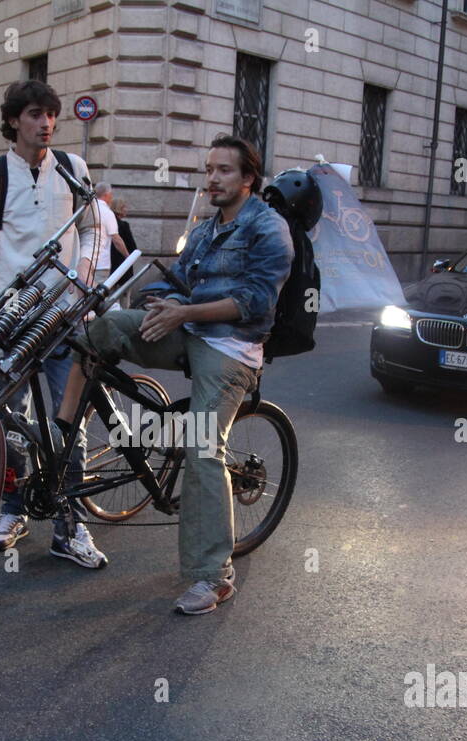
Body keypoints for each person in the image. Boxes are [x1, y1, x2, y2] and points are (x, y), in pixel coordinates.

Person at [57, 134, 294, 615]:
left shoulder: (268, 229)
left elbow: (255, 304)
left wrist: (183, 314)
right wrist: (159, 302)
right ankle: (67, 430)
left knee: (203, 446)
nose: (212, 178)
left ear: (248, 178)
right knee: (99, 330)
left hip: (232, 347)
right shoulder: (207, 231)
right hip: (189, 331)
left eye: (223, 170)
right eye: (208, 169)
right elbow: (177, 279)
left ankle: (214, 577)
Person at [0, 79, 108, 570]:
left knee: (66, 420)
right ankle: (13, 509)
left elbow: (95, 225)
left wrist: (85, 280)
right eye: (35, 114)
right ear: (14, 120)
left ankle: (70, 525)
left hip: (63, 316)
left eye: (51, 115)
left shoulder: (73, 168)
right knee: (9, 425)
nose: (46, 123)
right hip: (10, 319)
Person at [91, 182, 128, 285]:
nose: (111, 198)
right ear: (106, 195)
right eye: (111, 195)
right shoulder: (107, 213)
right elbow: (116, 239)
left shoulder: (87, 209)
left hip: (84, 261)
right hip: (101, 263)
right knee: (97, 297)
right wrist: (128, 256)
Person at [109, 196, 137, 279]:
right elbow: (132, 246)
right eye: (125, 207)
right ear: (119, 208)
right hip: (122, 262)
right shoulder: (123, 225)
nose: (126, 209)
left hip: (108, 262)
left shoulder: (108, 221)